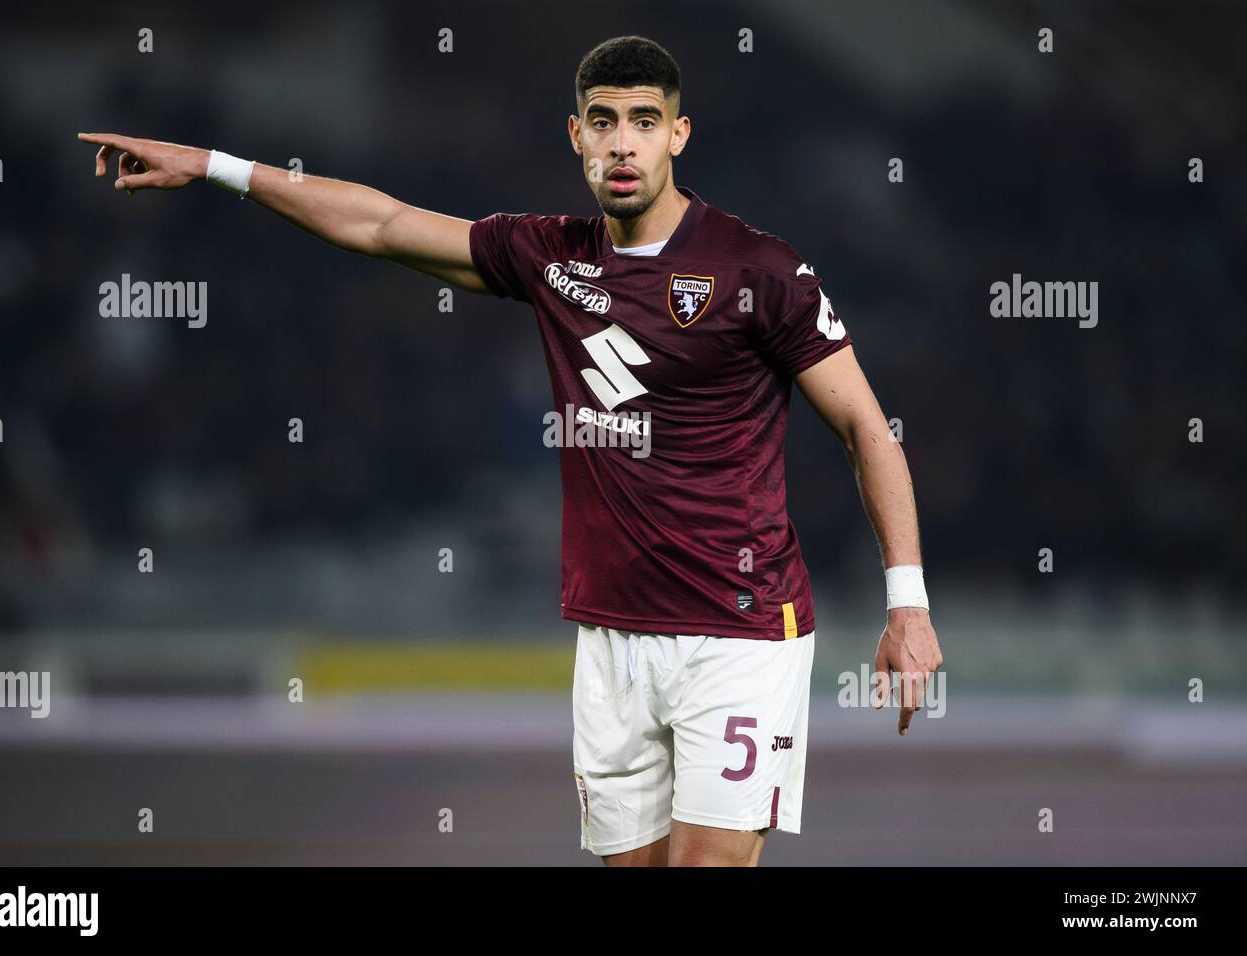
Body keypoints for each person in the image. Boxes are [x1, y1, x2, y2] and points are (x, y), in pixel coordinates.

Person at [77, 34, 942, 867]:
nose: (623, 143)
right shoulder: (548, 256)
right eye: (602, 121)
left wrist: (907, 604)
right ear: (576, 137)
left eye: (645, 121)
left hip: (741, 631)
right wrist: (216, 167)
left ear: (679, 135)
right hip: (611, 637)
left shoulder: (760, 271)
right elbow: (378, 224)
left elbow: (869, 427)